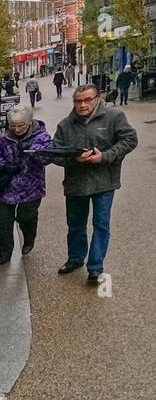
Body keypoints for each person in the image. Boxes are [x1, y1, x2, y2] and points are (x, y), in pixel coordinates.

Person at [46, 83, 137, 284]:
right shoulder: (65, 125)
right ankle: (76, 258)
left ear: (97, 98)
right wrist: (73, 159)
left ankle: (95, 267)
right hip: (76, 183)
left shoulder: (114, 117)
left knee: (101, 224)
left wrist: (105, 156)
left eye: (87, 100)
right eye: (78, 101)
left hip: (104, 181)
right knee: (76, 225)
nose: (83, 105)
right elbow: (55, 153)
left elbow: (129, 140)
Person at [0, 104, 52, 264]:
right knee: (4, 222)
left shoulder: (42, 137)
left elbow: (47, 158)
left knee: (25, 217)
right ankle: (5, 253)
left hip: (31, 187)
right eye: (12, 126)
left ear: (29, 122)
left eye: (20, 125)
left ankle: (29, 237)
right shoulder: (4, 138)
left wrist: (33, 153)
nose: (16, 130)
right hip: (7, 187)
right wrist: (4, 165)